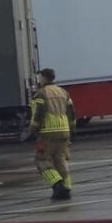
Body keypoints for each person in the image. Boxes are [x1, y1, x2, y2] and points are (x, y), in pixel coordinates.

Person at [26, 68, 75, 201]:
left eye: (40, 77)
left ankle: (57, 185)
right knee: (61, 160)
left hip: (47, 133)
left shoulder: (40, 94)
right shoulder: (63, 92)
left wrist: (31, 131)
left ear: (43, 78)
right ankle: (67, 188)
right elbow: (71, 112)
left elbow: (38, 114)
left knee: (42, 160)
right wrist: (72, 129)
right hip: (64, 132)